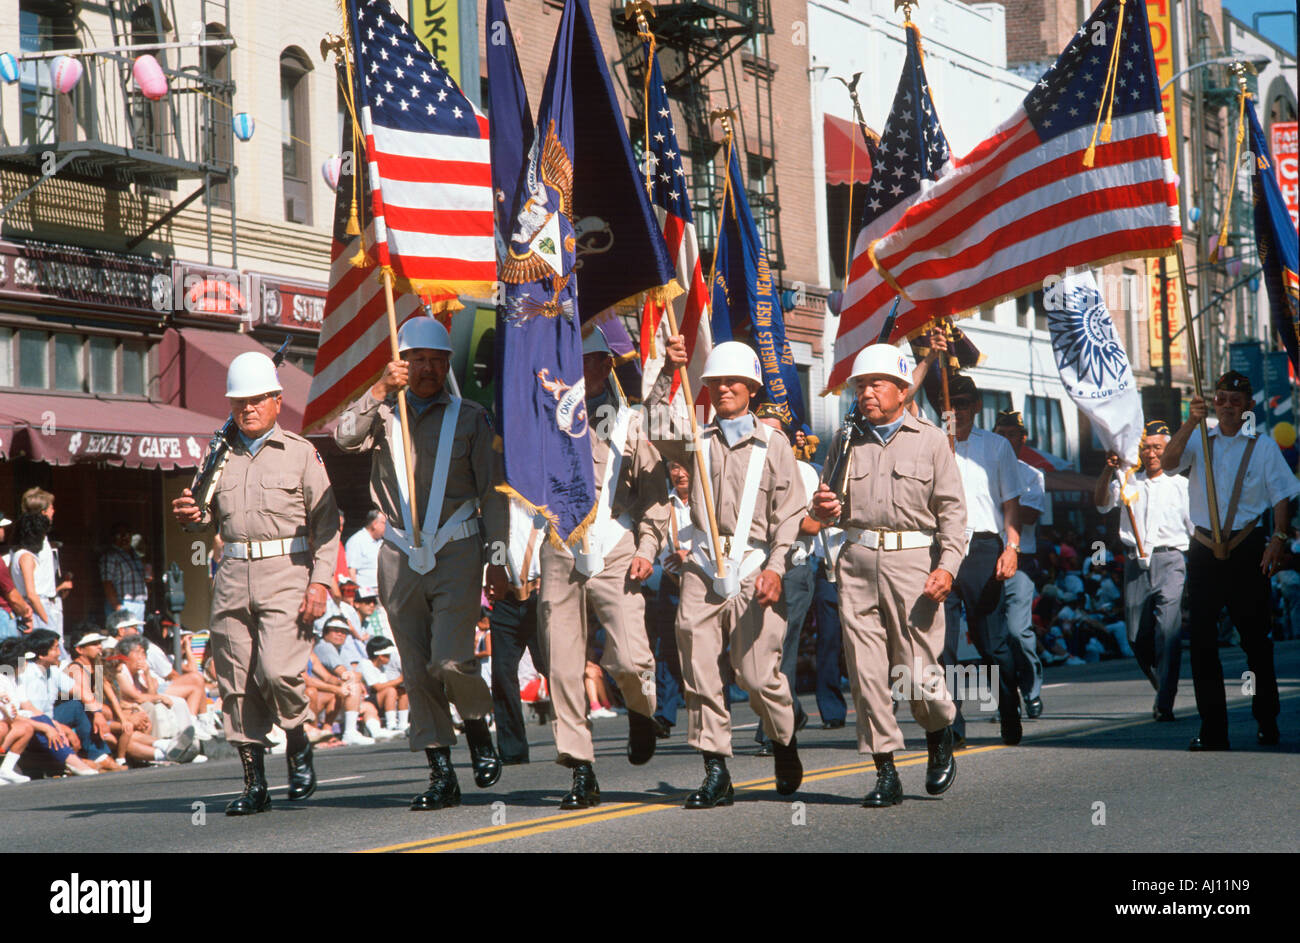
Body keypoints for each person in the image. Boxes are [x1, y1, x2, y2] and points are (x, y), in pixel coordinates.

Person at [335, 317, 504, 810]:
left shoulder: (471, 417)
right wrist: (378, 390)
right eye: (417, 360)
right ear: (402, 364)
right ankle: (440, 771)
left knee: (450, 660)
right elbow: (344, 438)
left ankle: (476, 724)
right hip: (400, 552)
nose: (426, 368)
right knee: (416, 667)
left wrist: (497, 555)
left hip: (457, 546)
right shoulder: (384, 414)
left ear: (447, 364)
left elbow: (491, 493)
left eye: (436, 360)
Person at [505, 326, 668, 810]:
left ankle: (640, 710)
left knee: (631, 658)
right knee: (562, 661)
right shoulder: (541, 422)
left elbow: (656, 496)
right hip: (560, 545)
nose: (584, 371)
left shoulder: (631, 423)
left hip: (615, 542)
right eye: (574, 363)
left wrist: (647, 546)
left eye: (593, 362)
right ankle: (579, 769)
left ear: (607, 367)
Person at [172, 349, 339, 815]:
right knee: (236, 681)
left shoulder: (301, 454)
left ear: (277, 401)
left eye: (256, 400)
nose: (246, 408)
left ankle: (298, 735)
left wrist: (321, 583)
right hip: (232, 573)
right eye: (238, 402)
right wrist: (191, 514)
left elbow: (327, 524)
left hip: (288, 571)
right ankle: (254, 783)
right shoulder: (218, 454)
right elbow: (202, 516)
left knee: (278, 671)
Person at [809, 345, 964, 806]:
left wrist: (947, 566)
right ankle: (886, 771)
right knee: (868, 674)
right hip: (855, 563)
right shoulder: (845, 439)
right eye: (860, 385)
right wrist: (823, 508)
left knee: (917, 674)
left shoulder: (931, 440)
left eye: (876, 383)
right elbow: (826, 507)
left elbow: (953, 513)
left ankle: (938, 733)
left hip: (913, 566)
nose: (867, 392)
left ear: (902, 389)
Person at [654, 337, 805, 808]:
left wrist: (776, 569)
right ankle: (715, 769)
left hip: (756, 566)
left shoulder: (773, 444)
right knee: (699, 669)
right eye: (716, 381)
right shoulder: (693, 439)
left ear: (752, 388)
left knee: (758, 676)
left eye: (733, 381)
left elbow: (790, 515)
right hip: (701, 567)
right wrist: (666, 371)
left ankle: (783, 741)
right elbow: (654, 425)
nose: (723, 388)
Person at [1161, 371, 1300, 750]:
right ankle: (1213, 730)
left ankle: (1267, 719)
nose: (1226, 406)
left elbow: (1283, 495)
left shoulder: (1263, 445)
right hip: (1204, 549)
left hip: (1247, 547)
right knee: (1203, 643)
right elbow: (1169, 462)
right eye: (1220, 399)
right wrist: (1190, 420)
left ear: (1247, 407)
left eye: (1234, 401)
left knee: (1256, 641)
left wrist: (1279, 537)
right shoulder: (1199, 441)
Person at [941, 373, 1025, 747]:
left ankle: (1009, 710)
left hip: (984, 548)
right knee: (942, 647)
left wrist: (1012, 547)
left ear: (976, 406)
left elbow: (1011, 502)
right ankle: (951, 726)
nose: (955, 411)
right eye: (950, 403)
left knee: (993, 645)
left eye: (962, 403)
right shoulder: (932, 444)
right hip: (941, 548)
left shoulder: (996, 447)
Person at [1093, 420, 1192, 721]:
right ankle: (1163, 684)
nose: (1151, 454)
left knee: (1167, 631)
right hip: (1136, 563)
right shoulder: (1127, 481)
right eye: (1146, 448)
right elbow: (1100, 504)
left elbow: (1194, 528)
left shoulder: (1182, 485)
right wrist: (1108, 470)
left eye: (1157, 448)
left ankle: (1165, 701)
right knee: (1137, 637)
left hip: (1171, 560)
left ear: (1169, 449)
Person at [753, 404, 813, 755]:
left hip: (792, 569)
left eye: (776, 431)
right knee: (757, 652)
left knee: (781, 649)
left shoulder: (802, 470)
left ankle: (774, 732)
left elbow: (813, 523)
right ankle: (795, 710)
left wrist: (779, 517)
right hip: (754, 568)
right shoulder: (748, 464)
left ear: (788, 438)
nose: (769, 436)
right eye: (764, 429)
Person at [993, 410, 1048, 719]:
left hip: (1019, 558)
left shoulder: (1031, 474)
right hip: (985, 557)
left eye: (1011, 434)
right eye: (1000, 433)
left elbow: (1028, 515)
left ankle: (1031, 688)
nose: (1005, 439)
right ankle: (1004, 698)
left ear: (1022, 438)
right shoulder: (980, 471)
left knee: (1016, 630)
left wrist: (1000, 500)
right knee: (991, 636)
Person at [20, 488, 72, 642]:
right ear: (43, 512)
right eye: (50, 508)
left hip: (49, 603)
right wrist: (45, 618)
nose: (53, 511)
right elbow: (32, 590)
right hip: (39, 606)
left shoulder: (44, 540)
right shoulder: (32, 544)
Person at [100, 522, 148, 620]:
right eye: (119, 535)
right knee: (124, 634)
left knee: (137, 633)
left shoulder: (135, 555)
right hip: (123, 603)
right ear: (113, 537)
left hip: (139, 603)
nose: (124, 538)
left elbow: (144, 579)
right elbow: (107, 584)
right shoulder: (111, 556)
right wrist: (118, 607)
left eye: (127, 535)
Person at [0, 512, 34, 640]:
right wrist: (26, 613)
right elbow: (12, 595)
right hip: (3, 617)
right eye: (0, 527)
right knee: (16, 655)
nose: (3, 531)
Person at [344, 510, 387, 594]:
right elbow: (351, 571)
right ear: (374, 524)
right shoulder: (357, 540)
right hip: (365, 594)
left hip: (382, 592)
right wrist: (355, 595)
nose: (386, 527)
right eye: (384, 523)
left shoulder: (381, 542)